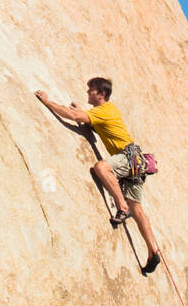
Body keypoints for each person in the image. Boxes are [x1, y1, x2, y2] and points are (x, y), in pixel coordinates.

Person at [35, 76, 161, 275]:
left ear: (101, 94)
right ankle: (153, 251)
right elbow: (90, 122)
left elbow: (75, 118)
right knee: (138, 209)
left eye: (90, 90)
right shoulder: (106, 111)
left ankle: (121, 206)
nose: (87, 93)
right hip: (137, 162)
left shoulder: (104, 111)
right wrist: (82, 112)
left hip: (126, 158)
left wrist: (48, 102)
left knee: (101, 168)